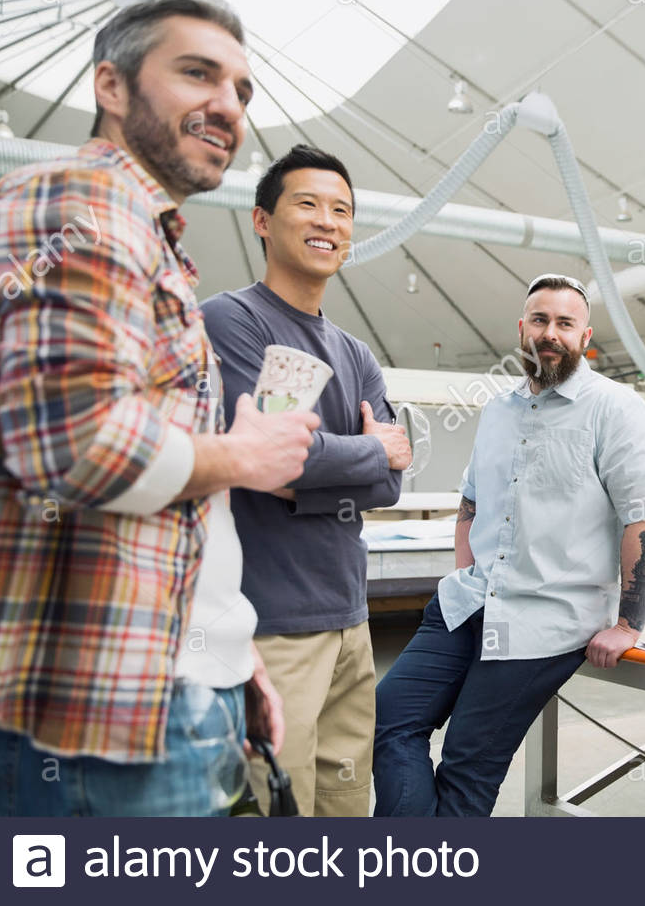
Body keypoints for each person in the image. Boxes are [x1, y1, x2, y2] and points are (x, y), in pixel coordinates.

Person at [0, 0, 320, 815]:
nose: (228, 105)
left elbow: (169, 495)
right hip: (108, 711)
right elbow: (80, 447)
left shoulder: (142, 231)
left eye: (241, 89)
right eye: (197, 73)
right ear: (112, 86)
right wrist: (245, 454)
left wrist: (231, 653)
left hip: (179, 680)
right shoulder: (78, 207)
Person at [373, 274, 645, 816]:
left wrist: (629, 624)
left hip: (544, 617)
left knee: (467, 763)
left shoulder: (615, 408)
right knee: (388, 720)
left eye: (565, 323)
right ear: (521, 329)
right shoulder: (499, 410)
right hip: (467, 603)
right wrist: (468, 574)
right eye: (540, 320)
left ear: (586, 337)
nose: (550, 332)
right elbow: (471, 505)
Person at [202, 144, 410, 816]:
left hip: (353, 624)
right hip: (273, 629)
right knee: (272, 814)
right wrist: (369, 452)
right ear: (263, 220)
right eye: (308, 204)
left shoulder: (356, 352)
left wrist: (330, 460)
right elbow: (271, 463)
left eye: (343, 210)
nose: (329, 221)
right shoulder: (233, 321)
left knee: (346, 808)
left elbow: (391, 487)